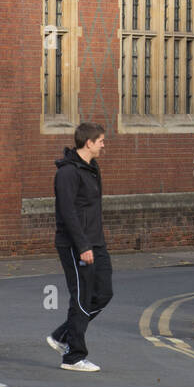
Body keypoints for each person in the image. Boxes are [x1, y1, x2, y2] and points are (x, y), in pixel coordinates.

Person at [48, 122, 113, 373]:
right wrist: (83, 245)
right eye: (101, 141)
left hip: (96, 242)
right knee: (81, 297)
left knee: (104, 292)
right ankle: (74, 356)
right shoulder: (67, 173)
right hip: (76, 245)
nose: (103, 145)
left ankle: (63, 334)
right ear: (89, 143)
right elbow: (68, 213)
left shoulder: (92, 168)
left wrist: (95, 242)